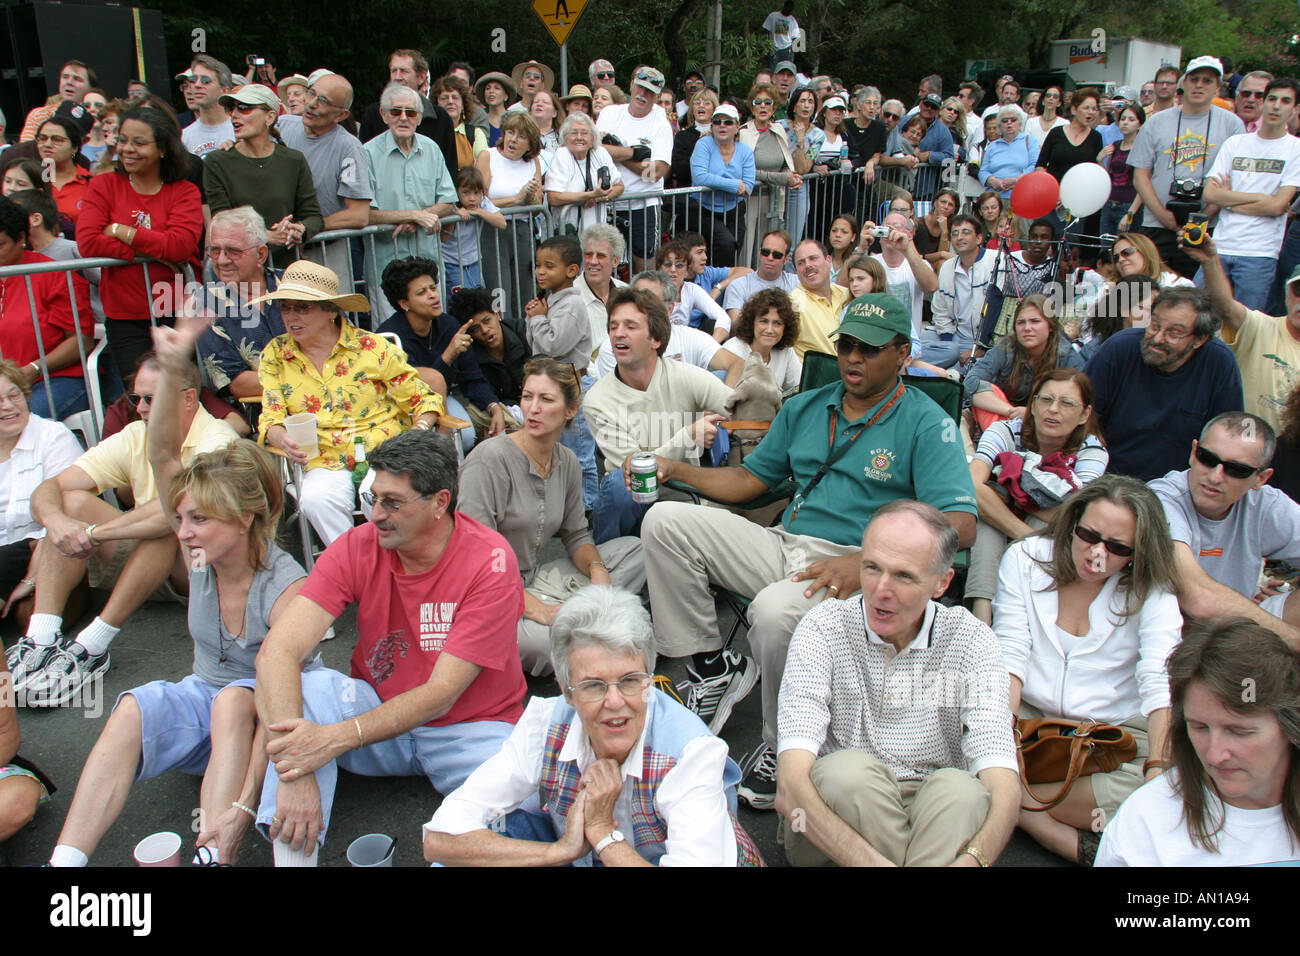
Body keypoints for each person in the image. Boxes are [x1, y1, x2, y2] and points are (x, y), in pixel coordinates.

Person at [640, 295, 978, 809]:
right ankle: (714, 662)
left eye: (869, 348)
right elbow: (752, 479)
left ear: (903, 353)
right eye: (845, 345)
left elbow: (961, 523)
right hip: (785, 542)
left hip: (858, 566)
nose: (853, 358)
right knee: (664, 520)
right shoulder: (805, 406)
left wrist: (870, 562)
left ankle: (787, 745)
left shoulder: (926, 423)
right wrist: (675, 469)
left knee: (774, 612)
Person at [45, 322, 306, 867]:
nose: (181, 530)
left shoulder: (287, 587)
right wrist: (168, 369)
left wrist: (243, 803)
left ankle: (212, 854)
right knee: (133, 705)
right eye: (181, 518)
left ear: (243, 521)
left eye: (198, 520)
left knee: (236, 700)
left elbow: (282, 712)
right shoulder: (200, 558)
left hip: (271, 718)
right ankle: (62, 864)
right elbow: (164, 451)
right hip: (204, 703)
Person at [252, 428, 526, 866]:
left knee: (527, 804)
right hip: (376, 710)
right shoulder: (357, 546)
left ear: (440, 502)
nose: (375, 515)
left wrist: (329, 742)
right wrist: (295, 769)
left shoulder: (489, 560)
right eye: (373, 498)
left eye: (393, 503)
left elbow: (442, 695)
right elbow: (278, 651)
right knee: (306, 689)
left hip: (471, 729)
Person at [423, 585, 762, 866]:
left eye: (630, 681)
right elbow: (439, 838)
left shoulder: (690, 753)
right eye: (593, 686)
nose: (615, 702)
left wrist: (602, 833)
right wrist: (557, 851)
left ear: (649, 677)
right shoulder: (546, 723)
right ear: (566, 691)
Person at [773, 500, 1018, 866]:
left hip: (934, 810)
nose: (880, 590)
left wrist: (975, 860)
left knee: (963, 793)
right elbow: (790, 787)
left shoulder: (971, 640)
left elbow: (1004, 785)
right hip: (843, 814)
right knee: (846, 775)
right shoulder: (823, 628)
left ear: (941, 583)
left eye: (904, 576)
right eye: (871, 568)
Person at [10, 354, 238, 706]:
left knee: (173, 519)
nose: (141, 408)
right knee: (69, 503)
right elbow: (49, 488)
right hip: (147, 563)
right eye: (135, 399)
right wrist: (58, 524)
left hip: (200, 574)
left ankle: (92, 645)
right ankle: (41, 637)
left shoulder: (217, 440)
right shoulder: (136, 434)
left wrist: (93, 534)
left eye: (152, 398)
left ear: (188, 398)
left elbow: (177, 511)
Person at [995, 474, 1182, 864]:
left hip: (1112, 733)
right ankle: (1053, 824)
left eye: (1116, 547)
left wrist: (1157, 771)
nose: (1097, 553)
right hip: (1028, 717)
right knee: (966, 739)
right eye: (1088, 535)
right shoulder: (1026, 558)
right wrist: (999, 744)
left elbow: (1159, 682)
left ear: (1137, 552)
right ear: (1072, 521)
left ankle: (1017, 809)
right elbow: (1010, 654)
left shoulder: (1153, 588)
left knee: (1172, 786)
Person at [459, 360, 644, 675]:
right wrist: (537, 610)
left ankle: (583, 624)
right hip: (487, 594)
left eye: (546, 400)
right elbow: (472, 559)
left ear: (570, 410)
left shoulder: (567, 462)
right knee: (542, 644)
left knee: (638, 550)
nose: (532, 408)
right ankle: (592, 625)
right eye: (527, 397)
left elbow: (576, 535)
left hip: (538, 580)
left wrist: (597, 571)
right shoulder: (488, 460)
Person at [255, 260, 444, 545]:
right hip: (321, 456)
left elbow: (422, 397)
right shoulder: (276, 353)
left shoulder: (371, 347)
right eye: (285, 307)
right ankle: (356, 567)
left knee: (385, 497)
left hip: (382, 451)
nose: (291, 316)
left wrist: (418, 430)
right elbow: (272, 414)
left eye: (302, 307)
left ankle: (395, 564)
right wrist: (281, 437)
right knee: (316, 499)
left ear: (330, 311)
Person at [1097, 618, 1300, 866]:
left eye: (1239, 731)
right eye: (1199, 728)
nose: (1214, 755)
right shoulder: (1146, 819)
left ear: (1289, 726)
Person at [584, 286, 731, 543]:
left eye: (630, 326)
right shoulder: (597, 400)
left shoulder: (684, 375)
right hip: (631, 503)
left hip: (683, 498)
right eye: (613, 326)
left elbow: (734, 405)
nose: (618, 333)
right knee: (620, 483)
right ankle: (606, 561)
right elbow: (636, 473)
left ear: (656, 339)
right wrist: (689, 436)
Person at [964, 367, 1107, 624]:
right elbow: (972, 485)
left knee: (1046, 524)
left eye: (1066, 403)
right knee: (986, 523)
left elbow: (1076, 515)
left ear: (1084, 414)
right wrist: (1024, 535)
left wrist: (1009, 492)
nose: (1053, 409)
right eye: (1045, 399)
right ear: (1033, 404)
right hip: (1010, 529)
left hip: (1050, 534)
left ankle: (1019, 618)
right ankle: (981, 617)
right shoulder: (1006, 431)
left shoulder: (1092, 451)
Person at [1149, 412, 1300, 649]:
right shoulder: (1162, 499)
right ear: (1193, 452)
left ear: (1261, 478)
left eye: (1236, 469)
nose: (1215, 476)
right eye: (1207, 458)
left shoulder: (1266, 504)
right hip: (1169, 640)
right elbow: (1199, 598)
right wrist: (1291, 637)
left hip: (1233, 635)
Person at [76, 105, 203, 386]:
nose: (127, 149)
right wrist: (152, 252)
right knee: (140, 395)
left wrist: (120, 230)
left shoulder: (184, 191)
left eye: (139, 142)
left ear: (162, 149)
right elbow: (87, 242)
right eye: (122, 140)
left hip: (176, 310)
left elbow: (180, 246)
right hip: (125, 316)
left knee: (183, 392)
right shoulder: (103, 185)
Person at [1085, 287, 1242, 480]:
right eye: (1154, 325)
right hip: (1105, 476)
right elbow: (1083, 414)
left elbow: (1226, 438)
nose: (1157, 338)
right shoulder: (1119, 348)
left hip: (1177, 487)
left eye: (1174, 333)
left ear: (1199, 339)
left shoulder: (1219, 362)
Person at [1130, 56, 1245, 279]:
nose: (1199, 85)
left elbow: (1233, 179)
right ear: (1183, 83)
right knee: (1150, 288)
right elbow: (1140, 176)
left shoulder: (1232, 124)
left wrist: (1204, 216)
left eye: (1207, 80)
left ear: (1217, 88)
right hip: (1157, 223)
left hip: (1206, 225)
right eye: (1194, 79)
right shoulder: (1156, 122)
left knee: (1197, 297)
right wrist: (1162, 214)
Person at [374, 256, 499, 450]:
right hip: (401, 406)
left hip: (444, 397)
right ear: (404, 303)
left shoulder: (449, 324)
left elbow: (472, 376)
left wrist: (493, 405)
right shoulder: (390, 337)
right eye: (422, 292)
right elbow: (414, 388)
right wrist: (447, 356)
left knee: (466, 435)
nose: (433, 295)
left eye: (433, 288)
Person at [1198, 77, 1300, 312]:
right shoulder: (1236, 143)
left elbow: (1277, 207)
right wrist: (1261, 199)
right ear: (1264, 103)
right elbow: (1211, 194)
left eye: (1285, 101)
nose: (1276, 106)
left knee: (1245, 326)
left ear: (1294, 109)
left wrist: (1230, 199)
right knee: (1198, 315)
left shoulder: (1295, 149)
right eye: (1272, 99)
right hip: (1219, 246)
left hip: (1259, 253)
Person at [0, 361, 83, 632]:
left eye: (14, 395)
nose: (9, 406)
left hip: (44, 551)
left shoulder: (52, 437)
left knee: (28, 617)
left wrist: (31, 578)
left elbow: (71, 511)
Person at [203, 84, 321, 269]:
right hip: (237, 270)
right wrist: (264, 236)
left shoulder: (293, 159)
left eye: (244, 108)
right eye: (231, 108)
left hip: (286, 270)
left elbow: (312, 215)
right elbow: (222, 219)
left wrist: (298, 230)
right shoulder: (217, 161)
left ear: (270, 116)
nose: (234, 114)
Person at [362, 82, 457, 311]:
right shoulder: (367, 153)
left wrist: (417, 218)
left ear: (419, 117)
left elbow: (448, 201)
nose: (403, 118)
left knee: (432, 330)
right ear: (384, 115)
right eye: (396, 111)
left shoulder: (432, 149)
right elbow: (365, 214)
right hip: (385, 267)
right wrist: (414, 215)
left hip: (428, 262)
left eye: (410, 112)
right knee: (390, 337)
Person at [0, 196, 94, 420]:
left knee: (17, 417)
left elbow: (81, 339)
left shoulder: (52, 273)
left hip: (53, 379)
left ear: (21, 238)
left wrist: (33, 369)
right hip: (5, 385)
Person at [276, 72, 373, 282]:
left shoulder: (348, 147)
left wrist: (308, 228)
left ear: (341, 115)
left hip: (325, 251)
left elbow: (358, 215)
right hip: (280, 251)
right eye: (311, 94)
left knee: (331, 313)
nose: (311, 104)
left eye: (322, 101)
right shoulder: (282, 126)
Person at [194, 207, 285, 406]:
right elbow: (237, 382)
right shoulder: (206, 303)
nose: (222, 260)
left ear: (261, 254)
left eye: (233, 251)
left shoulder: (294, 282)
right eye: (215, 250)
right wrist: (308, 381)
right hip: (261, 414)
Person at [964, 294, 1086, 427]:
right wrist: (1011, 411)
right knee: (986, 394)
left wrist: (1031, 415)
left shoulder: (1067, 356)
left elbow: (1077, 402)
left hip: (1048, 421)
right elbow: (970, 382)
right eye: (1021, 322)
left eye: (1035, 321)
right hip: (1006, 415)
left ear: (1050, 326)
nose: (1027, 328)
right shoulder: (1007, 348)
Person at [596, 66, 673, 271]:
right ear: (631, 85)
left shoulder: (661, 123)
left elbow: (655, 173)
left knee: (645, 271)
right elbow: (596, 151)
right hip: (609, 205)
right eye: (640, 87)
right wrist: (634, 153)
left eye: (649, 92)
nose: (642, 94)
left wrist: (618, 156)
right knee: (603, 267)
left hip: (644, 205)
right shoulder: (610, 113)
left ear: (656, 97)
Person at [476, 111, 544, 319]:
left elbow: (537, 202)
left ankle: (526, 339)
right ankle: (503, 338)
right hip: (494, 231)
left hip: (523, 231)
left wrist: (531, 196)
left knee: (525, 291)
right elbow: (479, 199)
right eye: (510, 133)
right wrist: (516, 199)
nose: (513, 140)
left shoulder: (533, 161)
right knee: (500, 292)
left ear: (530, 143)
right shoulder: (488, 156)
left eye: (521, 136)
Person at [357, 50, 457, 175]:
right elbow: (364, 164)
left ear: (421, 77)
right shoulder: (374, 114)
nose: (397, 77)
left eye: (404, 71)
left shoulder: (440, 118)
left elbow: (449, 170)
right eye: (394, 71)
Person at [923, 214, 997, 369]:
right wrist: (948, 345)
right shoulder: (947, 267)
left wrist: (980, 348)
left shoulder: (996, 261)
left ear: (978, 238)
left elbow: (1000, 313)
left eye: (966, 232)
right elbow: (940, 310)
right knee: (917, 341)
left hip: (984, 343)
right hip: (954, 337)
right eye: (955, 233)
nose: (959, 237)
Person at [738, 81, 799, 268]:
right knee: (746, 250)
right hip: (749, 199)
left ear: (774, 107)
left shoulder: (779, 131)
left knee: (768, 249)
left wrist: (790, 175)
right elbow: (746, 171)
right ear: (751, 106)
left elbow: (785, 163)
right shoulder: (743, 133)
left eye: (768, 102)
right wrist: (782, 179)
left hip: (773, 199)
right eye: (758, 102)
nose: (763, 106)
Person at [690, 103, 754, 269]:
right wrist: (732, 184)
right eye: (717, 122)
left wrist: (715, 181)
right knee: (725, 244)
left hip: (734, 211)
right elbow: (699, 177)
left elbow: (748, 187)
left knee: (732, 253)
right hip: (703, 210)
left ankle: (724, 292)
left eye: (728, 122)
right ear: (712, 126)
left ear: (737, 126)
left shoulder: (745, 151)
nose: (722, 126)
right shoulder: (704, 144)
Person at [454, 287, 526, 426]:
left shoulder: (521, 330)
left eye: (487, 321)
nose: (484, 330)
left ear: (497, 314)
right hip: (499, 410)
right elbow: (480, 395)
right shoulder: (470, 352)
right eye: (475, 329)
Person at [544, 111, 621, 236]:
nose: (579, 137)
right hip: (567, 234)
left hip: (596, 234)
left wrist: (597, 198)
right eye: (574, 133)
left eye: (584, 133)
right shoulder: (562, 154)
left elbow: (619, 186)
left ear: (592, 138)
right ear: (565, 137)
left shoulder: (600, 153)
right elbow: (553, 197)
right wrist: (589, 195)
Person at [870, 212, 938, 338]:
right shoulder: (871, 264)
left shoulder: (918, 264)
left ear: (909, 235)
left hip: (908, 341)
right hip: (876, 338)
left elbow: (932, 287)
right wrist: (861, 247)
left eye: (896, 226)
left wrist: (906, 249)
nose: (891, 230)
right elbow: (843, 288)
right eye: (886, 227)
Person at [723, 287, 802, 394]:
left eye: (777, 323)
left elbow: (800, 388)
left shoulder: (786, 351)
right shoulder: (732, 350)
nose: (769, 330)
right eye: (763, 321)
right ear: (752, 322)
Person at [440, 165, 507, 291]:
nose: (472, 198)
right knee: (459, 302)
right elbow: (444, 238)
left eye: (476, 193)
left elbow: (502, 223)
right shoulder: (452, 206)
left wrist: (479, 212)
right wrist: (454, 216)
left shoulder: (482, 202)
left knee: (479, 299)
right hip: (451, 262)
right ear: (456, 191)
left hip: (474, 261)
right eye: (465, 192)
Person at [789, 238, 851, 358]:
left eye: (813, 258)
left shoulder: (846, 295)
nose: (808, 265)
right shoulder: (793, 303)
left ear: (828, 260)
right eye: (801, 262)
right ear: (796, 271)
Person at [723, 228, 798, 326]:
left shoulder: (796, 283)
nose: (770, 258)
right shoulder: (738, 285)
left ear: (786, 259)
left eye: (777, 255)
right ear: (759, 253)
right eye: (765, 252)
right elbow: (735, 325)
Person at [33, 116, 91, 237]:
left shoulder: (90, 182)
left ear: (74, 148)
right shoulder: (31, 180)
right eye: (42, 138)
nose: (47, 144)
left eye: (57, 140)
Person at [575, 223, 628, 356]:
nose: (593, 261)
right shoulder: (570, 299)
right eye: (588, 254)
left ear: (615, 261)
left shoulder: (627, 292)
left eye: (600, 256)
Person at [1098, 103, 1146, 238]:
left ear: (1140, 124)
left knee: (1125, 246)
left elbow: (1143, 185)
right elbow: (1108, 177)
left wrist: (1130, 213)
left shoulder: (1142, 148)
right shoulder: (1116, 145)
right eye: (1123, 119)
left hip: (1129, 204)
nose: (1125, 123)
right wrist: (1100, 160)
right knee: (1105, 247)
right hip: (1109, 203)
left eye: (1131, 120)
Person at [18, 60, 93, 142]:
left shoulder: (97, 114)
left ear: (91, 88)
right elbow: (25, 150)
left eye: (77, 79)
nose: (69, 82)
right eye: (65, 77)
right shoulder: (39, 115)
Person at [177, 56, 234, 157]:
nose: (196, 85)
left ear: (224, 90)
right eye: (193, 80)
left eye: (205, 81)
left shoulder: (241, 130)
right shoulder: (183, 138)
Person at [978, 107, 1039, 201]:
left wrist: (1017, 180)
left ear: (1019, 123)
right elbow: (983, 171)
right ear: (999, 126)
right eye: (1004, 120)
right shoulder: (992, 145)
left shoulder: (1029, 140)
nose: (1009, 122)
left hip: (1022, 196)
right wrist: (992, 180)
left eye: (1013, 120)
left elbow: (1035, 165)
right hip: (995, 198)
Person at [432, 75, 486, 168]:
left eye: (455, 97)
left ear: (463, 104)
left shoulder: (475, 134)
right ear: (436, 104)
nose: (450, 101)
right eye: (444, 98)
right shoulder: (429, 134)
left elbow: (483, 172)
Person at [1110, 231, 1193, 289]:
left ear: (1145, 251)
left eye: (1127, 252)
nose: (1120, 259)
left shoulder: (1176, 285)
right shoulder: (1109, 289)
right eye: (1116, 257)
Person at [473, 72, 514, 148]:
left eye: (497, 88)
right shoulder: (477, 120)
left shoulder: (515, 119)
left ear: (506, 96)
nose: (491, 91)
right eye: (488, 88)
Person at [762, 2, 801, 70]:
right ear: (784, 7)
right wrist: (767, 44)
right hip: (773, 47)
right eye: (788, 8)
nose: (789, 11)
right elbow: (765, 29)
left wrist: (792, 49)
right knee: (772, 69)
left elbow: (795, 37)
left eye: (791, 10)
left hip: (786, 49)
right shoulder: (773, 16)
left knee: (787, 69)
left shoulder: (792, 20)